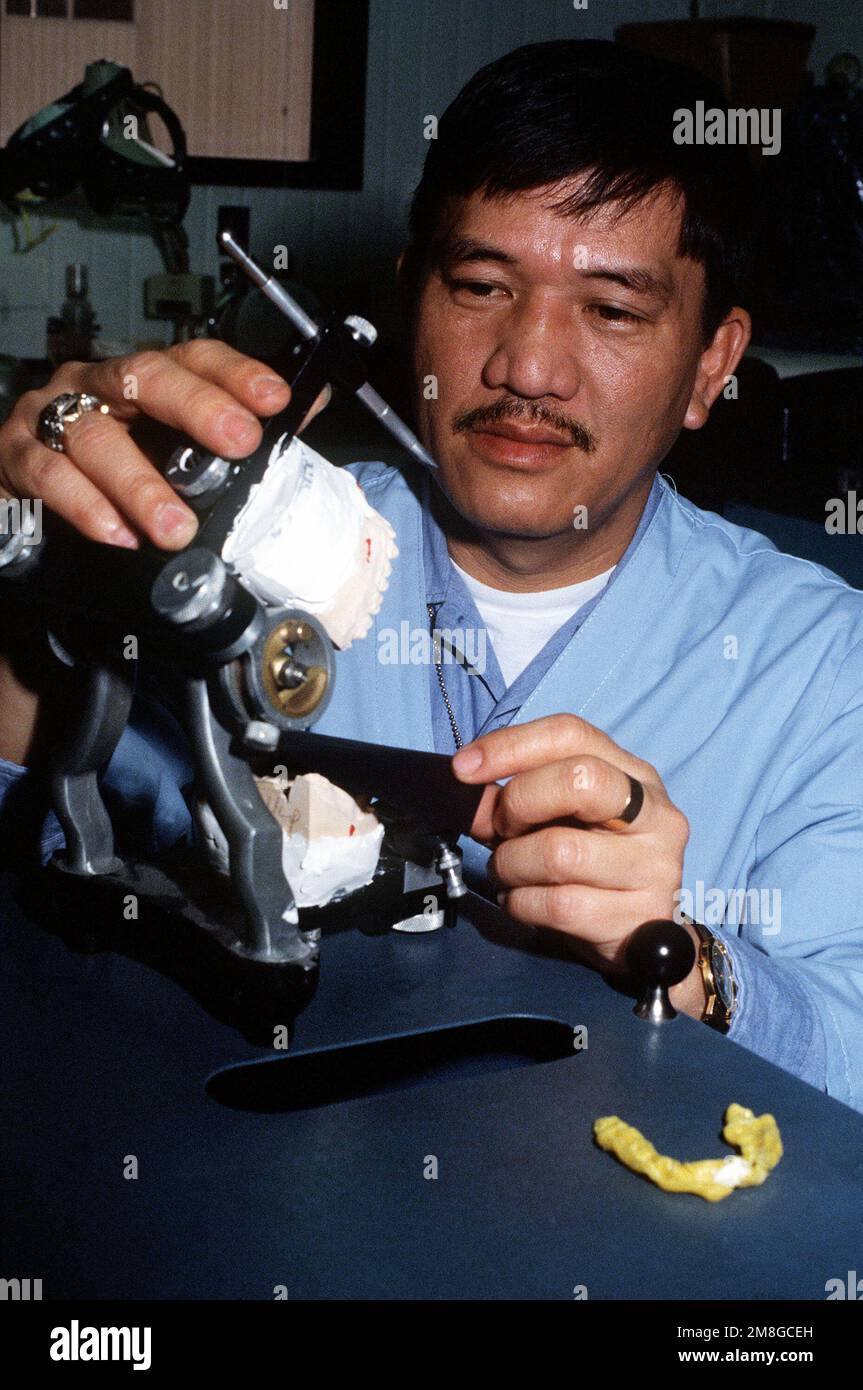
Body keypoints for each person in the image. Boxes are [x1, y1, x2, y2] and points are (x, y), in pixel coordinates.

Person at [1, 41, 862, 1110]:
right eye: (480, 284)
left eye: (610, 310)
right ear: (411, 299)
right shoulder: (236, 553)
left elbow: (849, 1048)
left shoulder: (826, 667)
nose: (526, 366)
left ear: (709, 368)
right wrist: (42, 551)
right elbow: (46, 818)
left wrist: (690, 961)